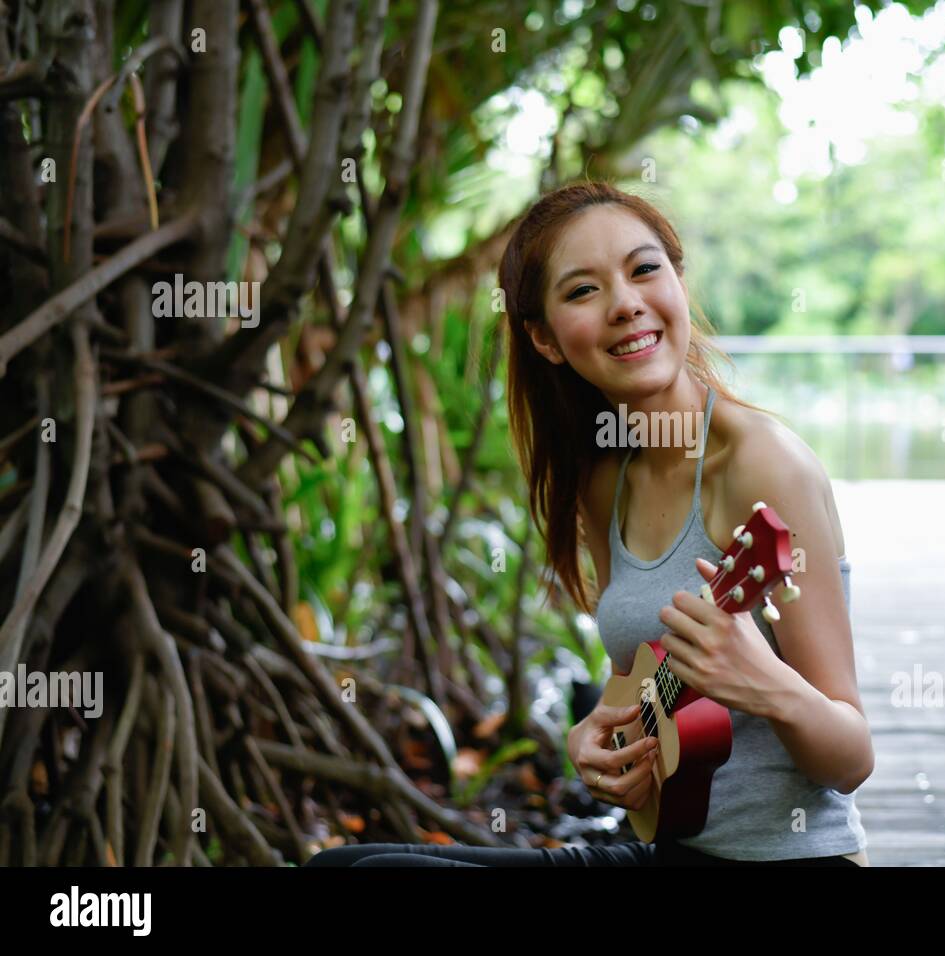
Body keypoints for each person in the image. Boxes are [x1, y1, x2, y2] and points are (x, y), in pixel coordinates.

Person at [306, 181, 874, 868]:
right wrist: (599, 740)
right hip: (667, 848)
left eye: (643, 270)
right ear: (544, 339)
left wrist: (765, 682)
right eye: (583, 291)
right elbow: (638, 690)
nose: (626, 303)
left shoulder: (762, 465)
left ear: (677, 281)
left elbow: (850, 758)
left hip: (793, 861)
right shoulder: (608, 480)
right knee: (342, 868)